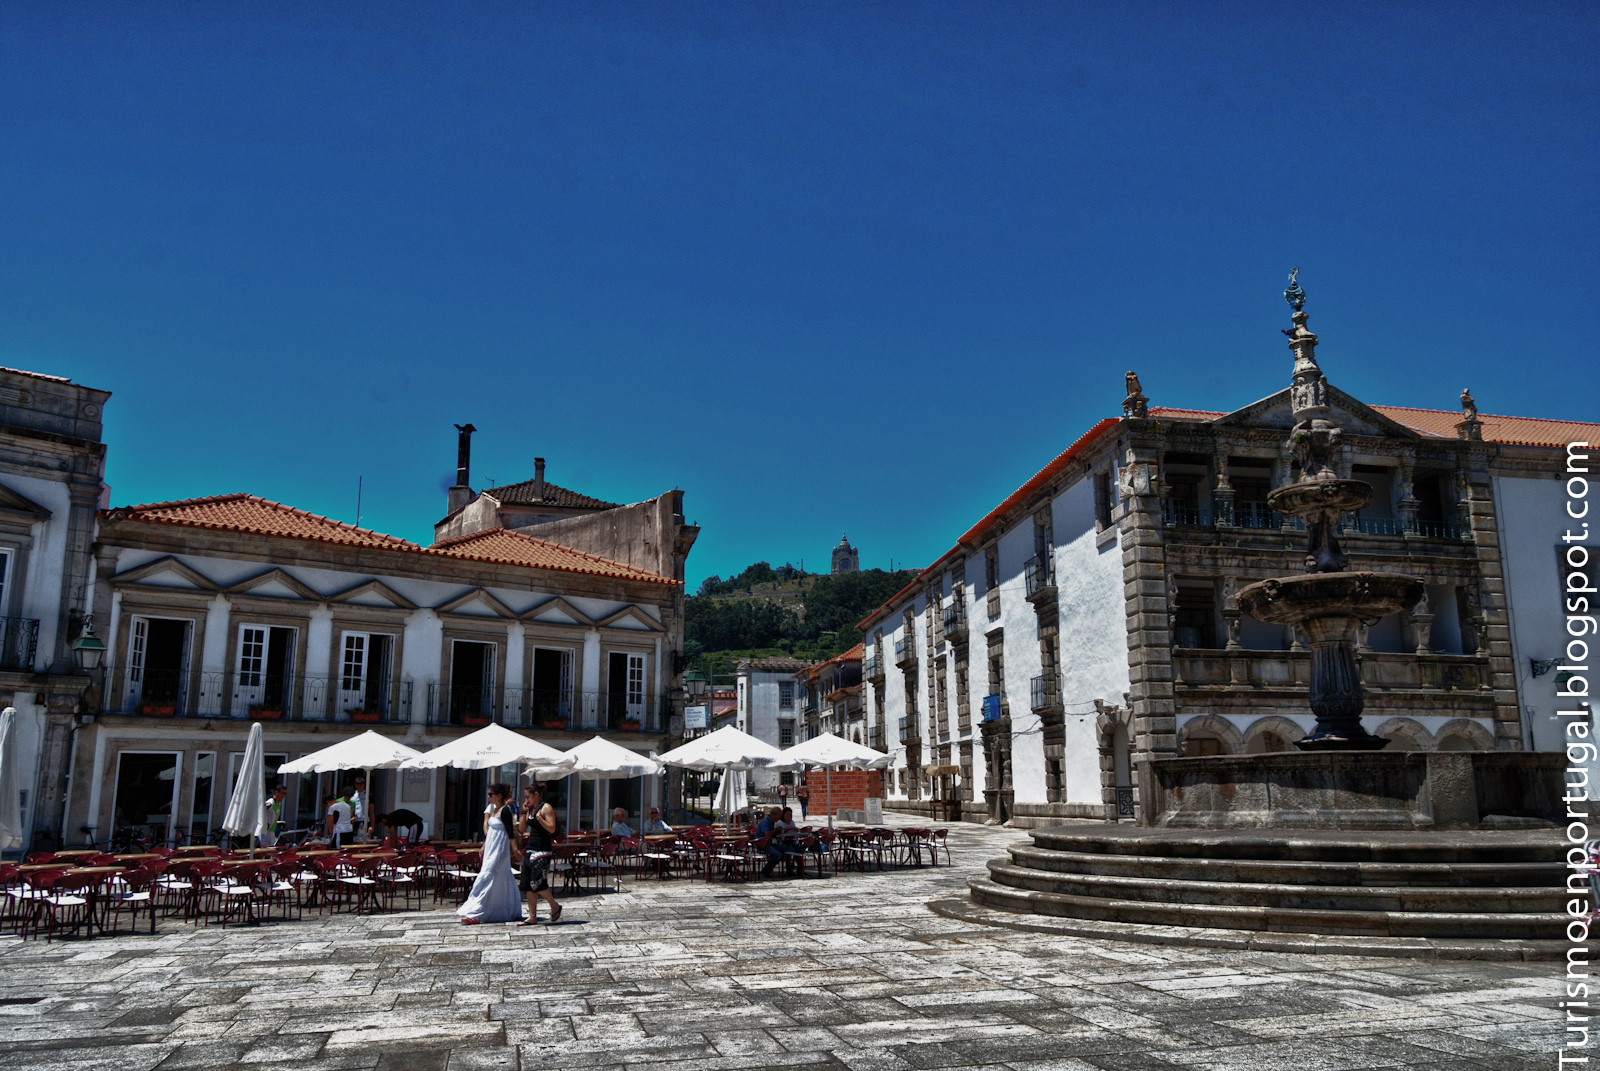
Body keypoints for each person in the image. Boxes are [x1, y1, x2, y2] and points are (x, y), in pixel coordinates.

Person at [459, 783, 524, 925]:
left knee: (490, 875)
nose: (488, 797)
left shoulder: (505, 811)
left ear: (498, 796)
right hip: (491, 847)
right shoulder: (494, 810)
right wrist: (484, 845)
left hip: (499, 849)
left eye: (490, 794)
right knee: (497, 876)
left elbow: (510, 832)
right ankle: (510, 910)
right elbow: (490, 831)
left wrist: (515, 850)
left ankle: (477, 913)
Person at [517, 783, 562, 926]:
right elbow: (522, 829)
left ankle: (554, 905)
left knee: (537, 882)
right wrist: (524, 812)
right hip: (530, 848)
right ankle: (532, 916)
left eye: (528, 796)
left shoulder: (545, 807)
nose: (527, 799)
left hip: (543, 850)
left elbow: (551, 827)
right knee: (527, 885)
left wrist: (539, 818)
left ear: (536, 794)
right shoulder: (530, 809)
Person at [756, 806, 782, 878]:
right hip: (762, 844)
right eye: (779, 816)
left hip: (769, 843)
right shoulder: (765, 821)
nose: (779, 818)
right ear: (773, 815)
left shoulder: (772, 822)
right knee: (777, 855)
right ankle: (766, 870)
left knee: (784, 849)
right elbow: (767, 834)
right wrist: (776, 830)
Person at [260, 783, 289, 847]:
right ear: (276, 792)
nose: (284, 795)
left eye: (285, 794)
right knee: (267, 849)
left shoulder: (279, 803)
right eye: (282, 793)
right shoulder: (270, 803)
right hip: (266, 831)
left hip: (272, 830)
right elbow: (260, 812)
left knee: (271, 848)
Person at [347, 775, 369, 841]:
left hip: (365, 820)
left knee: (365, 838)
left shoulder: (367, 795)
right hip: (355, 820)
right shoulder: (352, 795)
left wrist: (372, 826)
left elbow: (371, 811)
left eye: (361, 783)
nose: (359, 785)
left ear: (364, 784)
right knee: (353, 837)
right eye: (357, 783)